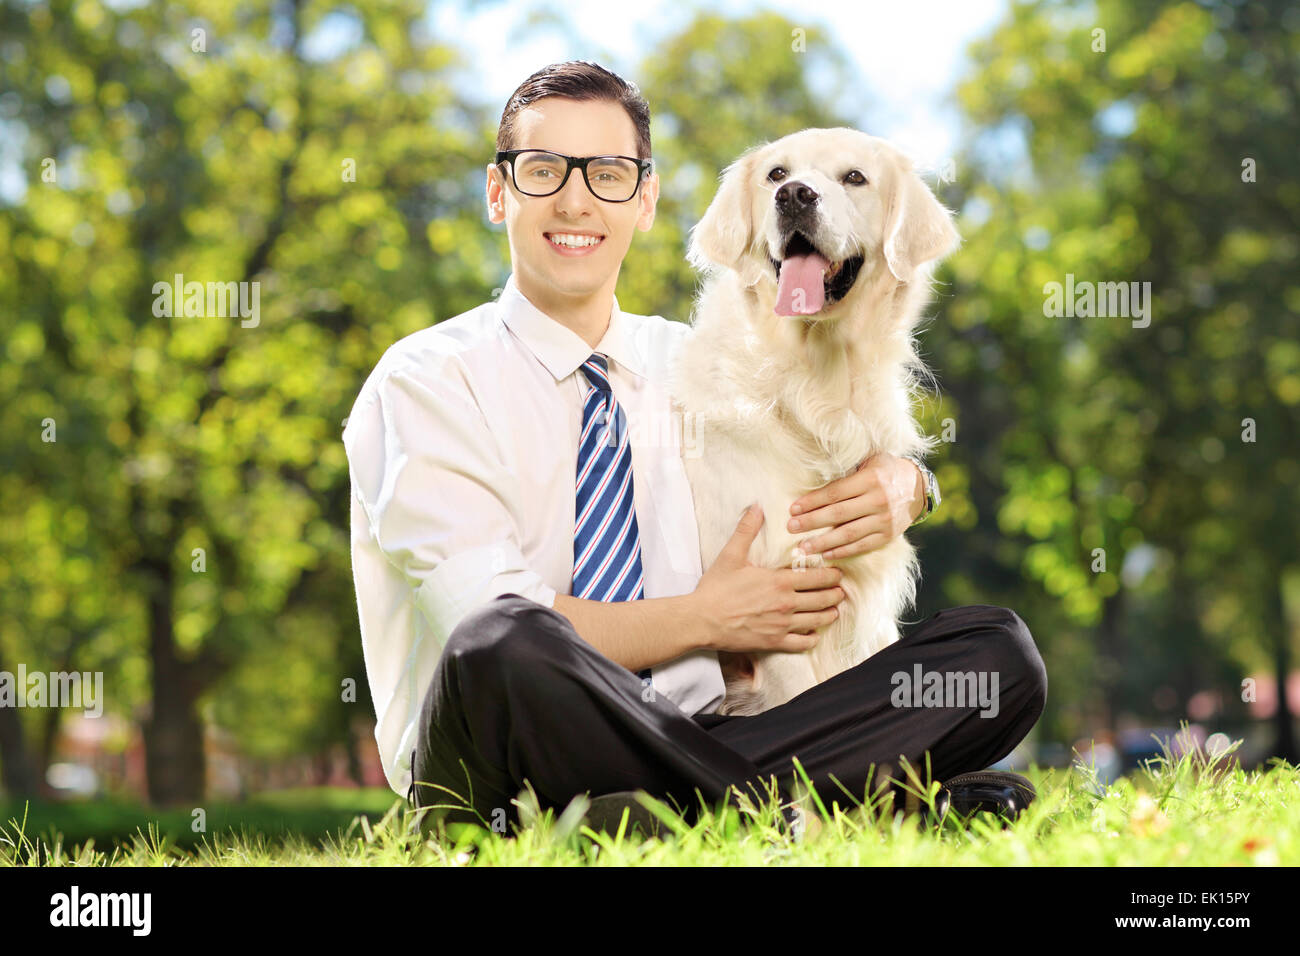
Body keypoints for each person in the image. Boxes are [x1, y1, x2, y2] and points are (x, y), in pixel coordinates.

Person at [342, 60, 1047, 839]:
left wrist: (909, 481)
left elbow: (831, 434)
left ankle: (677, 810)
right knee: (501, 640)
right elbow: (479, 615)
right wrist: (705, 619)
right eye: (543, 171)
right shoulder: (424, 380)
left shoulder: (700, 364)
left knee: (995, 654)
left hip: (707, 730)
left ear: (644, 202)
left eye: (607, 174)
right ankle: (858, 792)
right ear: (497, 190)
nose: (575, 199)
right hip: (500, 758)